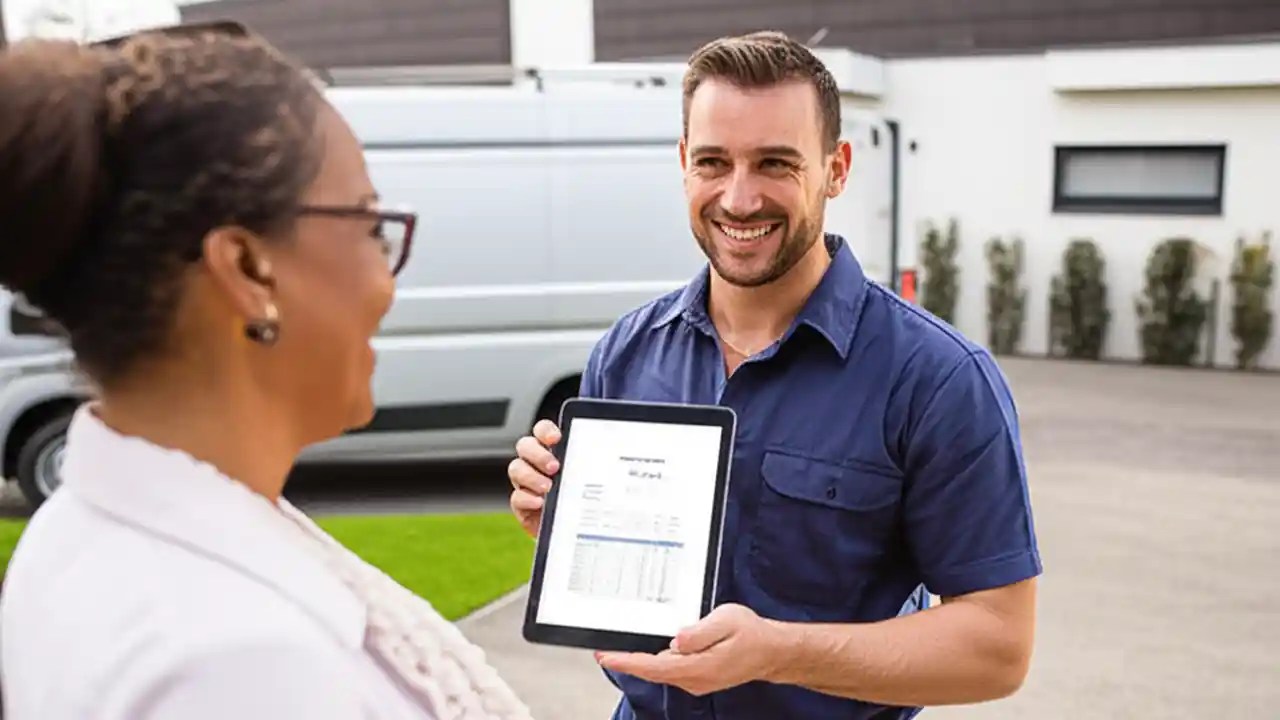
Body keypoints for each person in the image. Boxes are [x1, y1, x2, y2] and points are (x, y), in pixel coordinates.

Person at [0, 22, 533, 720]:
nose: (386, 281)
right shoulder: (241, 666)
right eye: (370, 226)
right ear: (247, 269)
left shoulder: (72, 533)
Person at [507, 30, 1042, 720]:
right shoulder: (628, 352)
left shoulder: (938, 379)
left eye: (774, 164)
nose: (739, 198)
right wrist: (566, 527)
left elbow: (997, 647)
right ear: (683, 163)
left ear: (836, 169)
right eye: (713, 162)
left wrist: (778, 653)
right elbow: (625, 595)